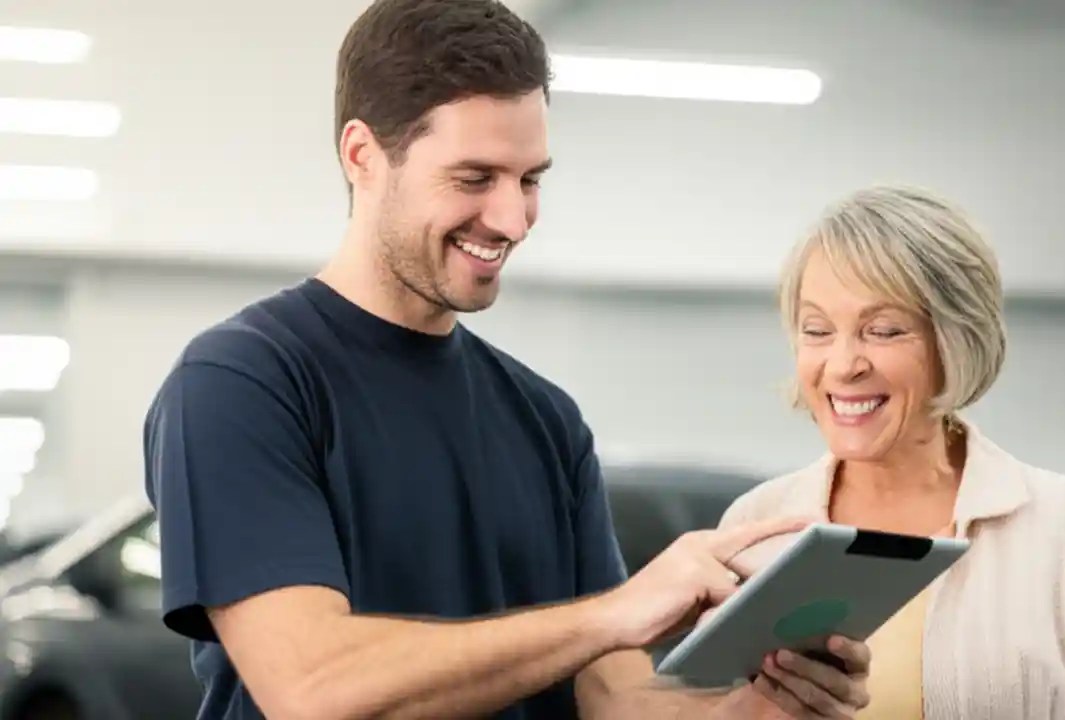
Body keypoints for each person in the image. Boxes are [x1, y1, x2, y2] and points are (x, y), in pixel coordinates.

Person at [141, 0, 872, 718]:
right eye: (474, 178)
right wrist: (612, 614)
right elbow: (313, 688)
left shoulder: (546, 420)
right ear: (362, 156)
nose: (513, 220)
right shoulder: (243, 383)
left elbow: (614, 697)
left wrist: (752, 709)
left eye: (530, 180)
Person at [718, 186, 1065, 719]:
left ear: (955, 340)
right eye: (817, 330)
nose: (843, 364)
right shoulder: (753, 527)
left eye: (882, 330)